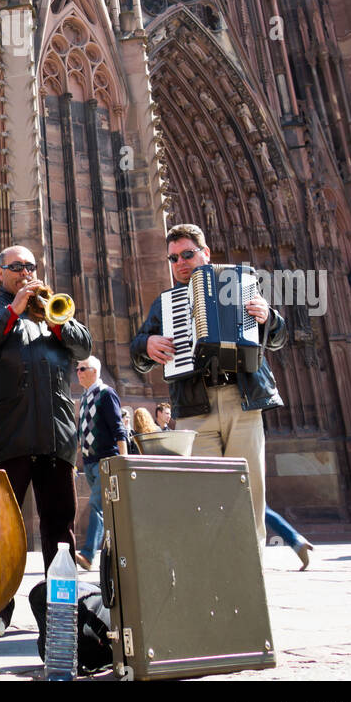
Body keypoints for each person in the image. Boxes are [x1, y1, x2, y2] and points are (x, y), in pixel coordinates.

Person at [130, 223, 286, 547]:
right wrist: (146, 345)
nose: (180, 264)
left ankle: (252, 570)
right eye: (173, 259)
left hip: (243, 403)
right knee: (204, 496)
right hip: (195, 410)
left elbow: (278, 337)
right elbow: (138, 354)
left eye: (187, 254)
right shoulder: (165, 304)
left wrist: (266, 317)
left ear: (206, 253)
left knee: (249, 492)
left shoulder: (240, 285)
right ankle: (214, 571)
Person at [0, 247, 92, 635]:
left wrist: (55, 320)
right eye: (17, 267)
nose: (25, 273)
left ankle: (62, 610)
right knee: (2, 529)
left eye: (31, 267)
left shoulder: (54, 310)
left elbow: (83, 347)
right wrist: (12, 311)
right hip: (9, 433)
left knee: (60, 529)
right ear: (0, 272)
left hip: (56, 435)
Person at [74, 356, 127, 571]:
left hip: (106, 459)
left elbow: (117, 426)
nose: (78, 372)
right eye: (77, 368)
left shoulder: (106, 394)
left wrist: (122, 459)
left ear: (95, 371)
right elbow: (83, 430)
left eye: (82, 368)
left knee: (96, 505)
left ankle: (88, 555)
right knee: (108, 509)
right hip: (90, 461)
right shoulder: (86, 396)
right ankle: (117, 550)